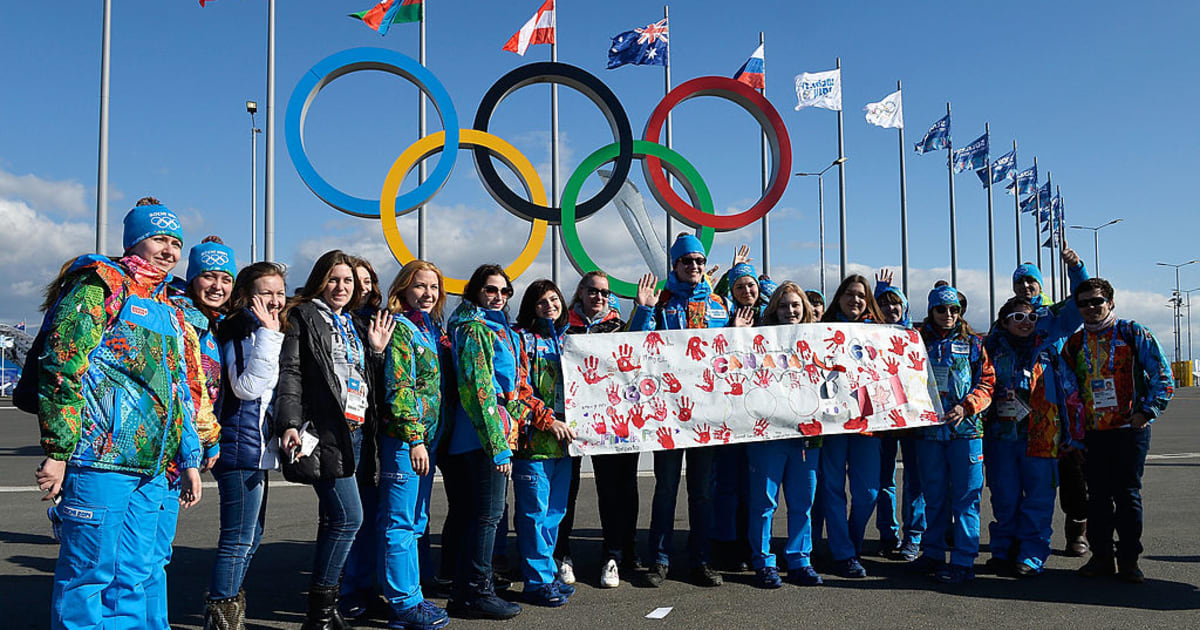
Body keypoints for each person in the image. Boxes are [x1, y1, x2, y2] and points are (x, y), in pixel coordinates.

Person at [34, 199, 212, 629]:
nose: (169, 250)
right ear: (135, 240)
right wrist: (57, 450)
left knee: (133, 576)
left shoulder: (170, 309)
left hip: (152, 467)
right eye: (159, 239)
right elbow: (62, 364)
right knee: (87, 575)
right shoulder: (99, 286)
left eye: (175, 242)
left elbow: (178, 391)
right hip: (100, 459)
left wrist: (188, 459)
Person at [275, 250, 393, 629]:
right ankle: (320, 616)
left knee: (334, 521)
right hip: (323, 431)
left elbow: (361, 380)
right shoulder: (304, 315)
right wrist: (289, 423)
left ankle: (327, 612)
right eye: (334, 279)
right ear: (319, 280)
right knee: (348, 518)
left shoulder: (353, 324)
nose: (342, 287)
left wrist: (375, 353)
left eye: (348, 281)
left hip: (356, 431)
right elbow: (290, 372)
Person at [628, 233, 753, 588]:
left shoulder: (720, 305)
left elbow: (733, 357)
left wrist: (735, 332)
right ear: (675, 266)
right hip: (668, 415)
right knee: (666, 489)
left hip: (708, 417)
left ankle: (701, 560)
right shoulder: (661, 302)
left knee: (702, 492)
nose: (695, 267)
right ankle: (660, 560)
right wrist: (643, 309)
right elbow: (634, 344)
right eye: (687, 262)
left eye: (699, 261)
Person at [443, 264, 552, 619]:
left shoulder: (492, 327)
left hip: (482, 433)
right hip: (481, 436)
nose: (499, 297)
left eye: (505, 292)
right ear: (475, 290)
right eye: (491, 290)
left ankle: (466, 588)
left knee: (473, 515)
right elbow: (479, 390)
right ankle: (477, 591)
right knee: (487, 516)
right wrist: (498, 445)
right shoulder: (475, 329)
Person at [1061, 278, 1173, 583]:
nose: (1090, 308)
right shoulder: (1074, 344)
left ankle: (1128, 560)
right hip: (1093, 433)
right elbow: (1070, 393)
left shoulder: (1133, 333)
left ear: (1110, 302)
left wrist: (1146, 412)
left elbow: (1163, 376)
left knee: (1127, 496)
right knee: (1096, 497)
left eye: (1096, 301)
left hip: (1129, 430)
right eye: (1083, 303)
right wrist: (1075, 433)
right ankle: (1101, 557)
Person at [155, 235, 235, 630]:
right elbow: (186, 391)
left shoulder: (210, 325)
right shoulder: (181, 318)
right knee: (140, 556)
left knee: (155, 556)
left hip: (181, 452)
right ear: (192, 278)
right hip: (166, 451)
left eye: (225, 278)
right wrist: (207, 439)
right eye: (208, 277)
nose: (217, 286)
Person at [203, 261, 287, 629]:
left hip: (258, 449)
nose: (274, 300)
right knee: (238, 540)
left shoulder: (268, 329)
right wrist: (269, 334)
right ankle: (222, 619)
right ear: (246, 297)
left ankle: (228, 611)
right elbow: (247, 388)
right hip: (239, 449)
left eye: (279, 292)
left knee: (252, 537)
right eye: (265, 292)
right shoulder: (240, 331)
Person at [983, 296, 1085, 578]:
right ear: (1004, 322)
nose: (1025, 323)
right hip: (1002, 437)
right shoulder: (989, 350)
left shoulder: (1049, 351)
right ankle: (1003, 551)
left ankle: (1032, 555)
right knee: (1004, 498)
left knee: (1039, 500)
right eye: (1017, 318)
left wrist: (1074, 435)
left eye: (1030, 318)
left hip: (1043, 437)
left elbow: (1071, 394)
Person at [376, 260, 453, 629]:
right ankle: (403, 603)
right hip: (406, 442)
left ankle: (411, 595)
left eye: (434, 288)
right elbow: (400, 387)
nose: (427, 294)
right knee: (399, 523)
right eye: (420, 286)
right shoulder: (402, 329)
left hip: (427, 440)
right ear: (404, 288)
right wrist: (415, 439)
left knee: (416, 521)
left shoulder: (430, 330)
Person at [1010, 248, 1093, 557]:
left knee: (1073, 474)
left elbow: (1080, 299)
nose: (1026, 287)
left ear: (1041, 285)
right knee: (1027, 479)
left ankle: (1076, 533)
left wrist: (1076, 268)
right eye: (1021, 283)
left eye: (1031, 282)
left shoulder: (1055, 315)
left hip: (1062, 406)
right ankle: (1022, 534)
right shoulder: (1009, 315)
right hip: (1023, 411)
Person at [909, 285, 995, 584]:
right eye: (941, 309)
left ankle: (963, 559)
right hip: (930, 433)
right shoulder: (917, 342)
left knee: (966, 499)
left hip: (966, 432)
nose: (948, 315)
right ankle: (932, 553)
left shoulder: (974, 344)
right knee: (934, 497)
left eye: (954, 309)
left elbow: (987, 384)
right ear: (931, 311)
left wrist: (967, 407)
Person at [746, 281, 825, 588]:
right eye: (783, 305)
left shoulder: (819, 339)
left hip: (807, 435)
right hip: (769, 434)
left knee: (803, 500)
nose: (790, 311)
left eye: (795, 305)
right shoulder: (756, 340)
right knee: (764, 502)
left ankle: (800, 559)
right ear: (773, 309)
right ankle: (764, 561)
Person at [512, 279, 579, 607]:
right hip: (533, 442)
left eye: (554, 299)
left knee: (555, 512)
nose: (549, 305)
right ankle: (536, 581)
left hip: (565, 444)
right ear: (531, 307)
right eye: (541, 301)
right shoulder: (521, 340)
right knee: (534, 513)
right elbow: (519, 389)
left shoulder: (571, 342)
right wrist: (547, 420)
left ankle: (548, 573)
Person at [566, 271, 633, 588]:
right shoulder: (559, 327)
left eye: (605, 293)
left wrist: (644, 310)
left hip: (611, 424)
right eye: (593, 291)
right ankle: (561, 554)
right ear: (580, 292)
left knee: (613, 493)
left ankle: (614, 556)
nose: (599, 297)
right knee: (565, 492)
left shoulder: (620, 327)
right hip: (569, 424)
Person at [817, 275, 884, 578]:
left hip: (867, 424)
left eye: (861, 295)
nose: (855, 300)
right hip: (831, 423)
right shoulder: (820, 330)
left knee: (868, 492)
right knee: (832, 490)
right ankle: (843, 553)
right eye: (849, 294)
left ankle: (851, 544)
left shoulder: (880, 333)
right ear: (839, 297)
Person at [341, 256, 388, 621]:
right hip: (346, 433)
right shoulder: (334, 321)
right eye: (354, 281)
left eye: (367, 281)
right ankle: (347, 590)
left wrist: (376, 350)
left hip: (374, 432)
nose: (362, 287)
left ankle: (368, 585)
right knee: (347, 516)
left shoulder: (379, 321)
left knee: (372, 514)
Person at [871, 269, 925, 562]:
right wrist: (877, 291)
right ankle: (887, 534)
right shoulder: (868, 334)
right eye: (884, 304)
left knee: (914, 480)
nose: (891, 309)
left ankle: (913, 536)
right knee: (883, 479)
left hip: (912, 417)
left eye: (896, 303)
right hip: (880, 415)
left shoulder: (916, 336)